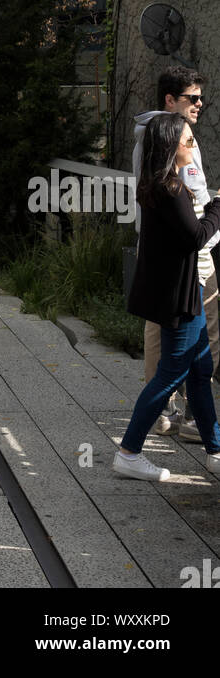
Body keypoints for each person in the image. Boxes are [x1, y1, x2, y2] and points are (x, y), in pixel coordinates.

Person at [133, 67, 220, 438]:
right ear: (170, 100)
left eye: (201, 97)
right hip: (187, 255)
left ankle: (169, 416)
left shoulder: (154, 137)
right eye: (193, 98)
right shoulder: (172, 142)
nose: (200, 104)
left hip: (165, 253)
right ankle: (167, 421)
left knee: (168, 338)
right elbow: (194, 211)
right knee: (200, 342)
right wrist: (216, 207)